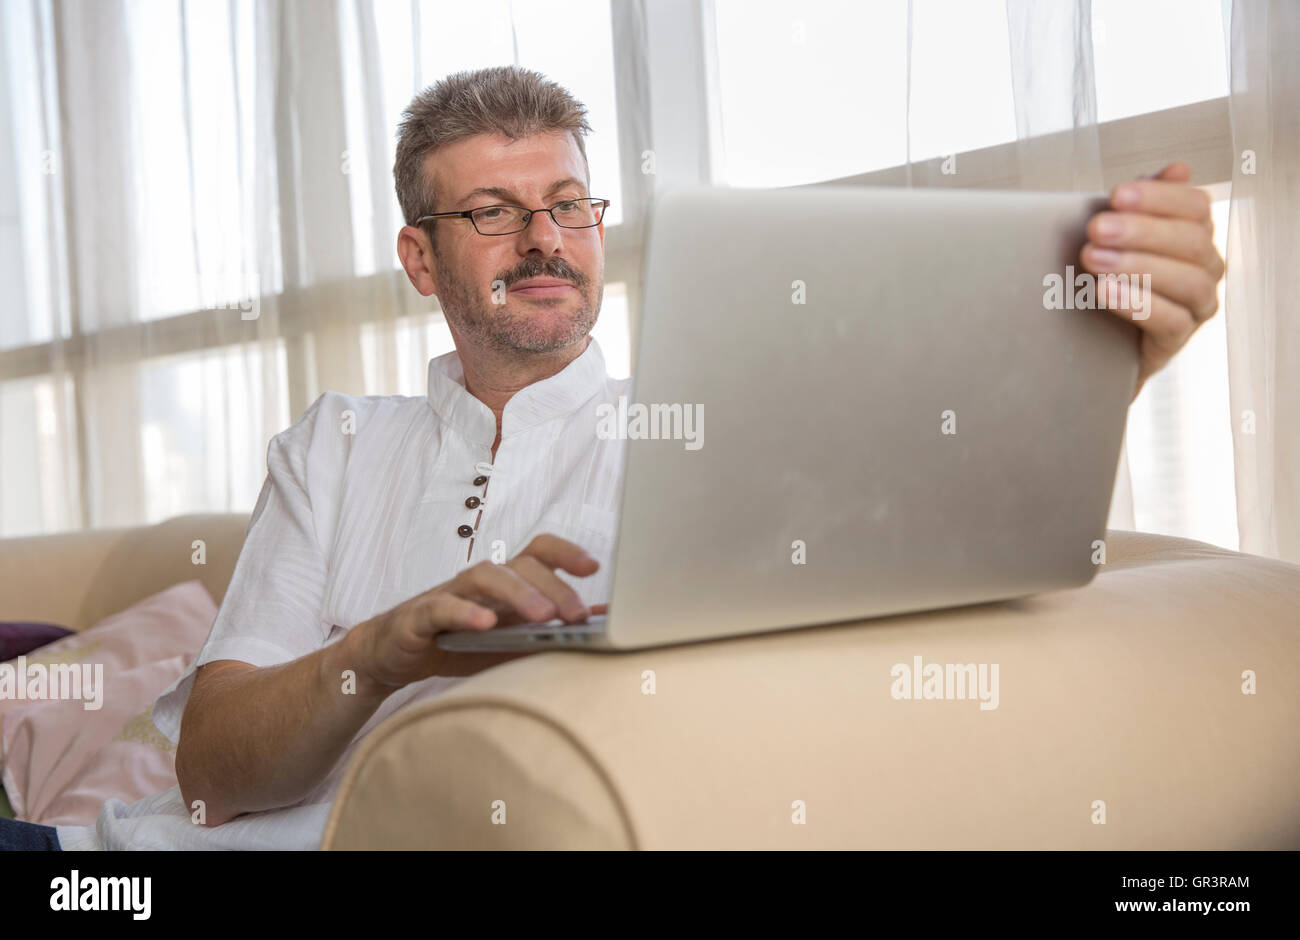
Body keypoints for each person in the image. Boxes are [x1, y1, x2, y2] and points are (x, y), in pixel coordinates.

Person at [4, 64, 1225, 851]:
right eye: (491, 211)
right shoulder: (331, 443)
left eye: (570, 204)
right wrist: (383, 645)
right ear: (421, 259)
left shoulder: (706, 425)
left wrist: (1113, 349)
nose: (543, 238)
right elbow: (211, 776)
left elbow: (930, 497)